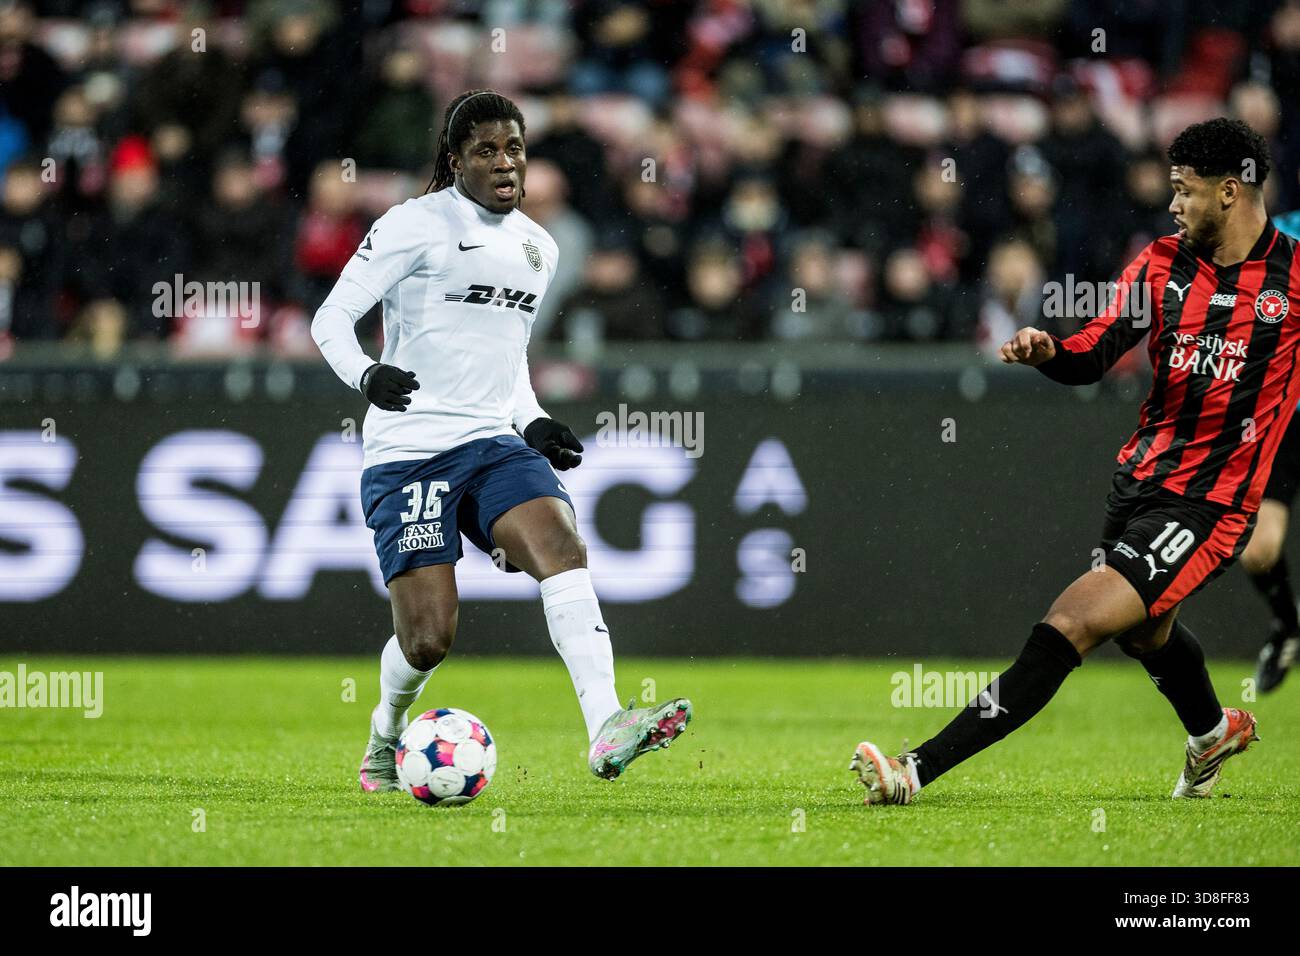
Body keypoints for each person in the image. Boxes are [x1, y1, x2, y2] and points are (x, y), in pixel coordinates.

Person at [851, 118, 1297, 804]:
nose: (1173, 204)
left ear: (1231, 192)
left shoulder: (1292, 278)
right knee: (1146, 635)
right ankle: (1213, 732)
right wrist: (1050, 352)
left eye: (1185, 190)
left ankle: (912, 772)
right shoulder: (1162, 263)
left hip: (1211, 504)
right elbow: (1096, 348)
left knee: (1074, 623)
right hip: (1141, 484)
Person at [309, 89, 691, 795]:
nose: (505, 162)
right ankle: (384, 737)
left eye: (514, 147)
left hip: (491, 443)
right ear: (456, 161)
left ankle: (606, 723)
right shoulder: (413, 225)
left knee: (563, 549)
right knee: (428, 641)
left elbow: (506, 355)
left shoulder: (536, 248)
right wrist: (367, 374)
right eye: (486, 150)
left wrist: (533, 420)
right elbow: (330, 319)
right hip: (410, 451)